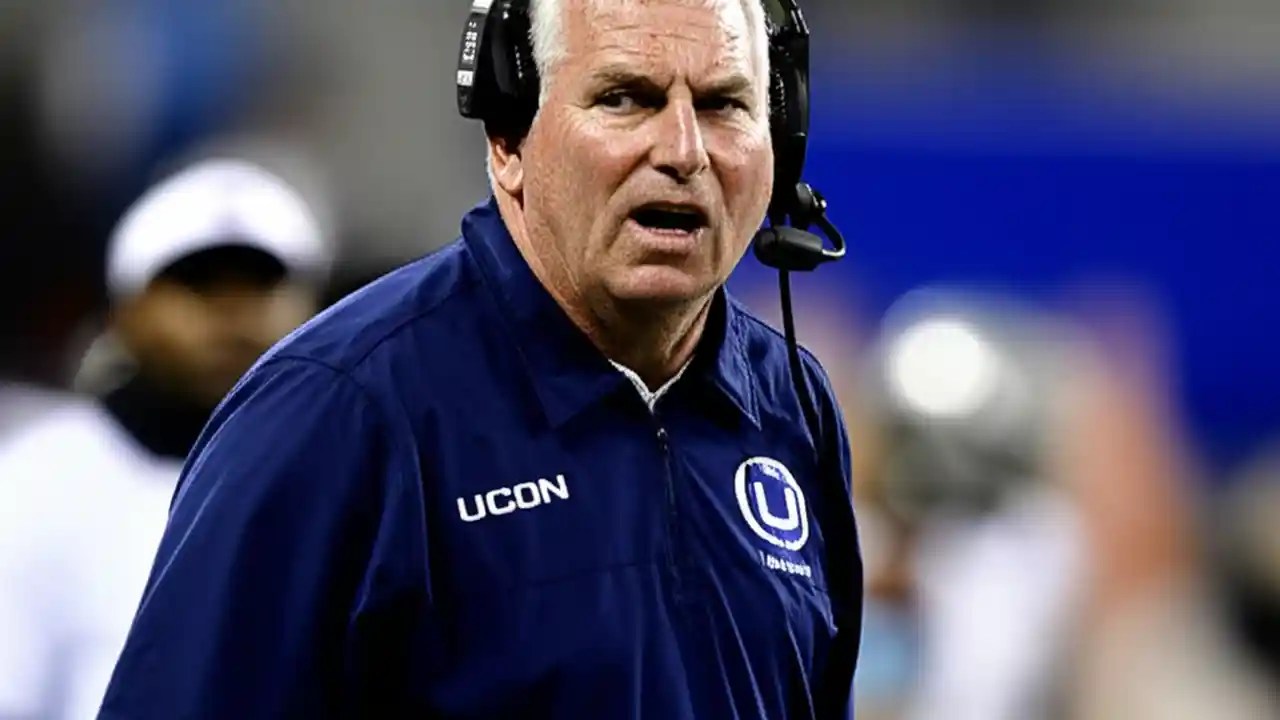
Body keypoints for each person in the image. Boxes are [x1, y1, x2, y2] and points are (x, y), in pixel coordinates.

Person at [99, 1, 862, 718]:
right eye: (626, 99)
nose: (683, 151)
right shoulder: (337, 408)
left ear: (781, 137)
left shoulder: (792, 404)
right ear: (508, 141)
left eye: (724, 104)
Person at [0, 158, 330, 720]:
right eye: (196, 282)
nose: (231, 312)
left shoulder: (358, 468)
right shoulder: (37, 481)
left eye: (261, 283)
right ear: (125, 311)